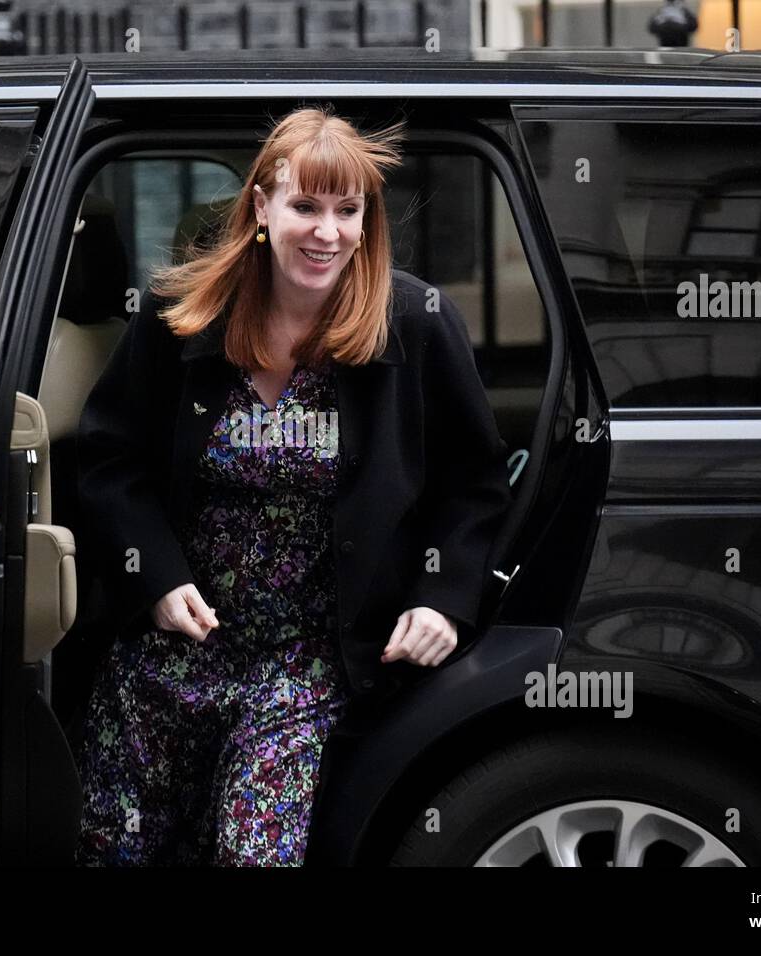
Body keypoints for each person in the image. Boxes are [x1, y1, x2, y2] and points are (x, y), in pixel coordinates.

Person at [73, 106, 514, 866]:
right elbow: (109, 461)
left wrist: (443, 599)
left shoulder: (412, 321)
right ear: (261, 208)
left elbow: (473, 482)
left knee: (255, 856)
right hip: (179, 643)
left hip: (310, 659)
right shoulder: (180, 317)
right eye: (306, 206)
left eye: (348, 211)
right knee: (118, 849)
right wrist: (156, 578)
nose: (327, 232)